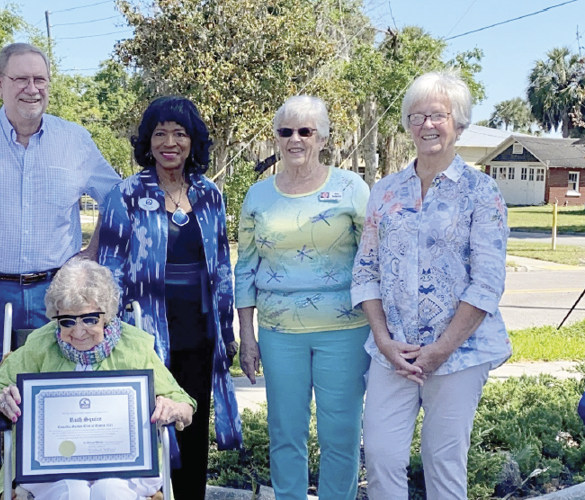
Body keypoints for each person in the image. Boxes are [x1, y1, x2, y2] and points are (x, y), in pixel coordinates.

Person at [0, 42, 122, 498]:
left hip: (59, 298)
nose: (32, 89)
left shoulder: (75, 141)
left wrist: (90, 253)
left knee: (57, 411)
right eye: (20, 79)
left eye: (40, 80)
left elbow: (118, 202)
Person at [351, 70, 512, 500]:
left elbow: (487, 283)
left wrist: (440, 350)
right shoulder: (384, 191)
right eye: (416, 116)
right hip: (394, 355)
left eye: (438, 115)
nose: (426, 125)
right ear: (407, 125)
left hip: (459, 355)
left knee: (444, 463)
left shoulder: (482, 192)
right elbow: (366, 271)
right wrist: (384, 342)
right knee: (382, 457)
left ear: (458, 124)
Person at [97, 95, 242, 500]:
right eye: (160, 133)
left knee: (191, 434)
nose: (170, 142)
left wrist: (226, 332)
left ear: (193, 141)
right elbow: (109, 273)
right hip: (144, 335)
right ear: (148, 141)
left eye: (179, 133)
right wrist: (111, 336)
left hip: (199, 334)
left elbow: (222, 270)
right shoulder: (125, 194)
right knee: (145, 433)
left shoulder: (209, 194)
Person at [234, 95, 371, 500]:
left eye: (306, 131)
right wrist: (247, 334)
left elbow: (375, 261)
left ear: (323, 138)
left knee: (341, 434)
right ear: (276, 138)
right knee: (285, 432)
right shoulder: (257, 196)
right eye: (286, 131)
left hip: (344, 331)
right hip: (279, 332)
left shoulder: (351, 188)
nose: (296, 139)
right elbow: (245, 268)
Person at [0, 258, 195, 500]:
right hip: (54, 467)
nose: (78, 332)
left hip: (124, 468)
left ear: (107, 314)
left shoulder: (134, 347)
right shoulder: (40, 344)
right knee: (72, 491)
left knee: (110, 491)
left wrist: (170, 408)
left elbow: (184, 405)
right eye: (67, 321)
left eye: (90, 319)